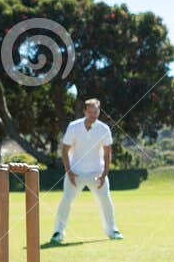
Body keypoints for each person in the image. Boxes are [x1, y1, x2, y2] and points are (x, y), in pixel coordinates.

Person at [49, 99, 123, 244]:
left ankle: (112, 230)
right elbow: (65, 150)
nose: (92, 115)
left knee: (106, 201)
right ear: (84, 112)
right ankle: (58, 232)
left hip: (97, 172)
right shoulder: (73, 127)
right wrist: (69, 172)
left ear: (99, 112)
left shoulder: (104, 129)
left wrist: (104, 174)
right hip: (75, 173)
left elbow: (107, 153)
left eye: (95, 112)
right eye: (90, 112)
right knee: (66, 201)